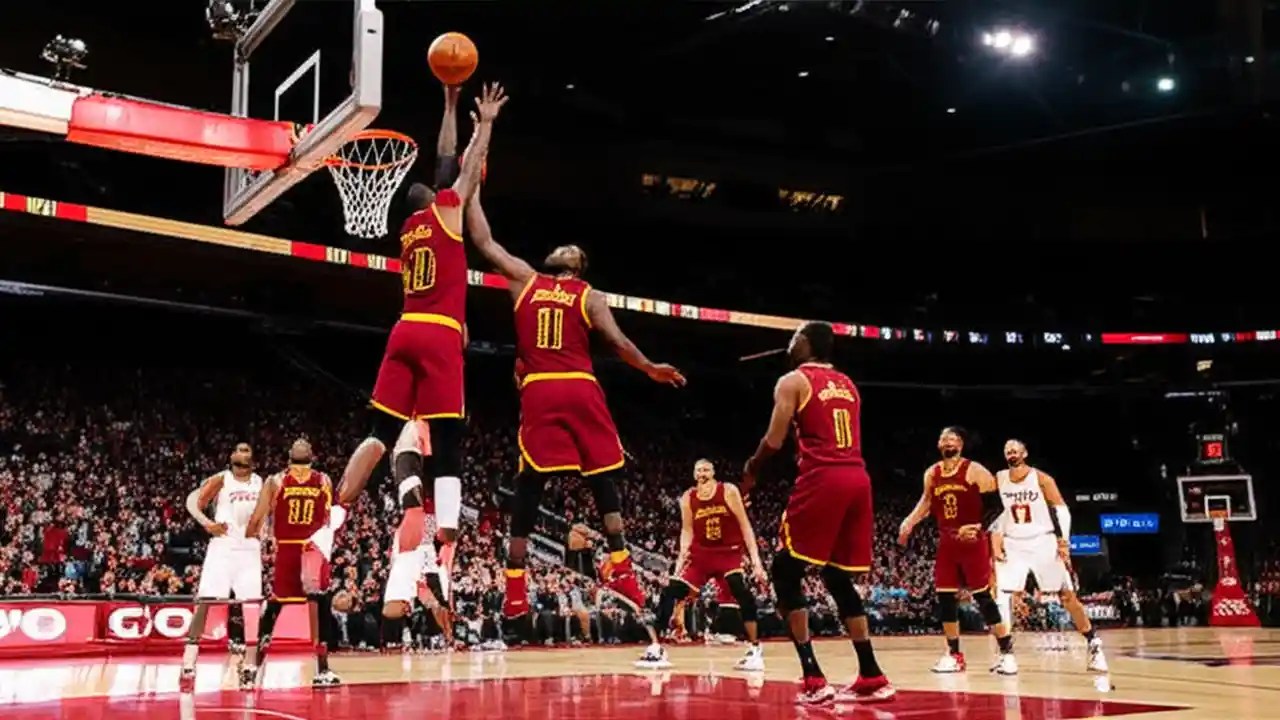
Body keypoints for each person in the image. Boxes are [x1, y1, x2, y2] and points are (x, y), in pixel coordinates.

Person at [462, 186, 685, 666]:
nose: (564, 249)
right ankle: (516, 588)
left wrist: (648, 368)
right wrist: (475, 186)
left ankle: (619, 565)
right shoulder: (527, 278)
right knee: (535, 481)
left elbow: (618, 340)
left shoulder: (586, 293)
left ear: (578, 265)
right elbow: (482, 238)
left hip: (562, 382)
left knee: (596, 474)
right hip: (558, 384)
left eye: (572, 250)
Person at [336, 82, 509, 581]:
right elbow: (453, 158)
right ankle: (445, 547)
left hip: (404, 329)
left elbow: (453, 164)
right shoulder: (445, 212)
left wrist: (458, 112)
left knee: (380, 433)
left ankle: (334, 517)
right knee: (449, 438)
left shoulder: (409, 230)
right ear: (436, 197)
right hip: (437, 334)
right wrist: (480, 120)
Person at [743, 321, 894, 705]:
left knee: (784, 570)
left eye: (795, 338)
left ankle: (812, 676)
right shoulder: (848, 384)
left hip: (823, 477)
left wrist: (752, 468)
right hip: (859, 478)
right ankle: (872, 673)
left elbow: (774, 440)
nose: (789, 344)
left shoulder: (792, 380)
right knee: (836, 575)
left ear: (808, 344)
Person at [899, 427, 1016, 675]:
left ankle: (1006, 651)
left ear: (961, 444)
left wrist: (978, 526)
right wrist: (909, 521)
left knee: (983, 597)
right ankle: (954, 654)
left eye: (952, 438)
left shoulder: (974, 470)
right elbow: (927, 502)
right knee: (945, 598)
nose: (947, 441)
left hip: (972, 541)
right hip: (948, 541)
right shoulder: (932, 473)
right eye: (943, 438)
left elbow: (997, 505)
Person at [993, 439, 1108, 672]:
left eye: (1015, 449)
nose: (1011, 453)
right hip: (1012, 542)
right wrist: (996, 541)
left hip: (1042, 540)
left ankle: (1093, 642)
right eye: (1007, 450)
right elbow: (995, 513)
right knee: (1001, 596)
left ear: (1025, 453)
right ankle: (1006, 654)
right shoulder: (999, 478)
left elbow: (1061, 509)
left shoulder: (1041, 478)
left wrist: (1063, 541)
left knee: (1067, 595)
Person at [242, 438, 342, 688]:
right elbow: (330, 519)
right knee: (317, 608)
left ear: (288, 457)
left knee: (276, 607)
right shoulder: (324, 481)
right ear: (312, 456)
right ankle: (322, 670)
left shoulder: (275, 481)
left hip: (289, 549)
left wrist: (252, 537)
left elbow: (257, 518)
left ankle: (251, 668)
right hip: (311, 550)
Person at [650, 459, 767, 671]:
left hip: (728, 552)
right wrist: (680, 561)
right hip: (701, 555)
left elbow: (745, 526)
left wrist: (757, 563)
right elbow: (686, 530)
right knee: (671, 591)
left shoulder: (728, 491)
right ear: (694, 475)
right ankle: (656, 648)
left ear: (713, 472)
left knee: (740, 590)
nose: (702, 472)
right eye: (698, 470)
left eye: (706, 469)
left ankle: (755, 649)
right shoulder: (688, 497)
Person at [179, 442, 262, 688]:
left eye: (247, 450)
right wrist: (207, 524)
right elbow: (194, 500)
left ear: (252, 458)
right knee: (205, 601)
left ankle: (249, 666)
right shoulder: (222, 479)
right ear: (231, 455)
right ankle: (189, 662)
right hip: (223, 547)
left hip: (250, 548)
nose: (243, 453)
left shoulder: (261, 482)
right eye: (239, 449)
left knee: (251, 607)